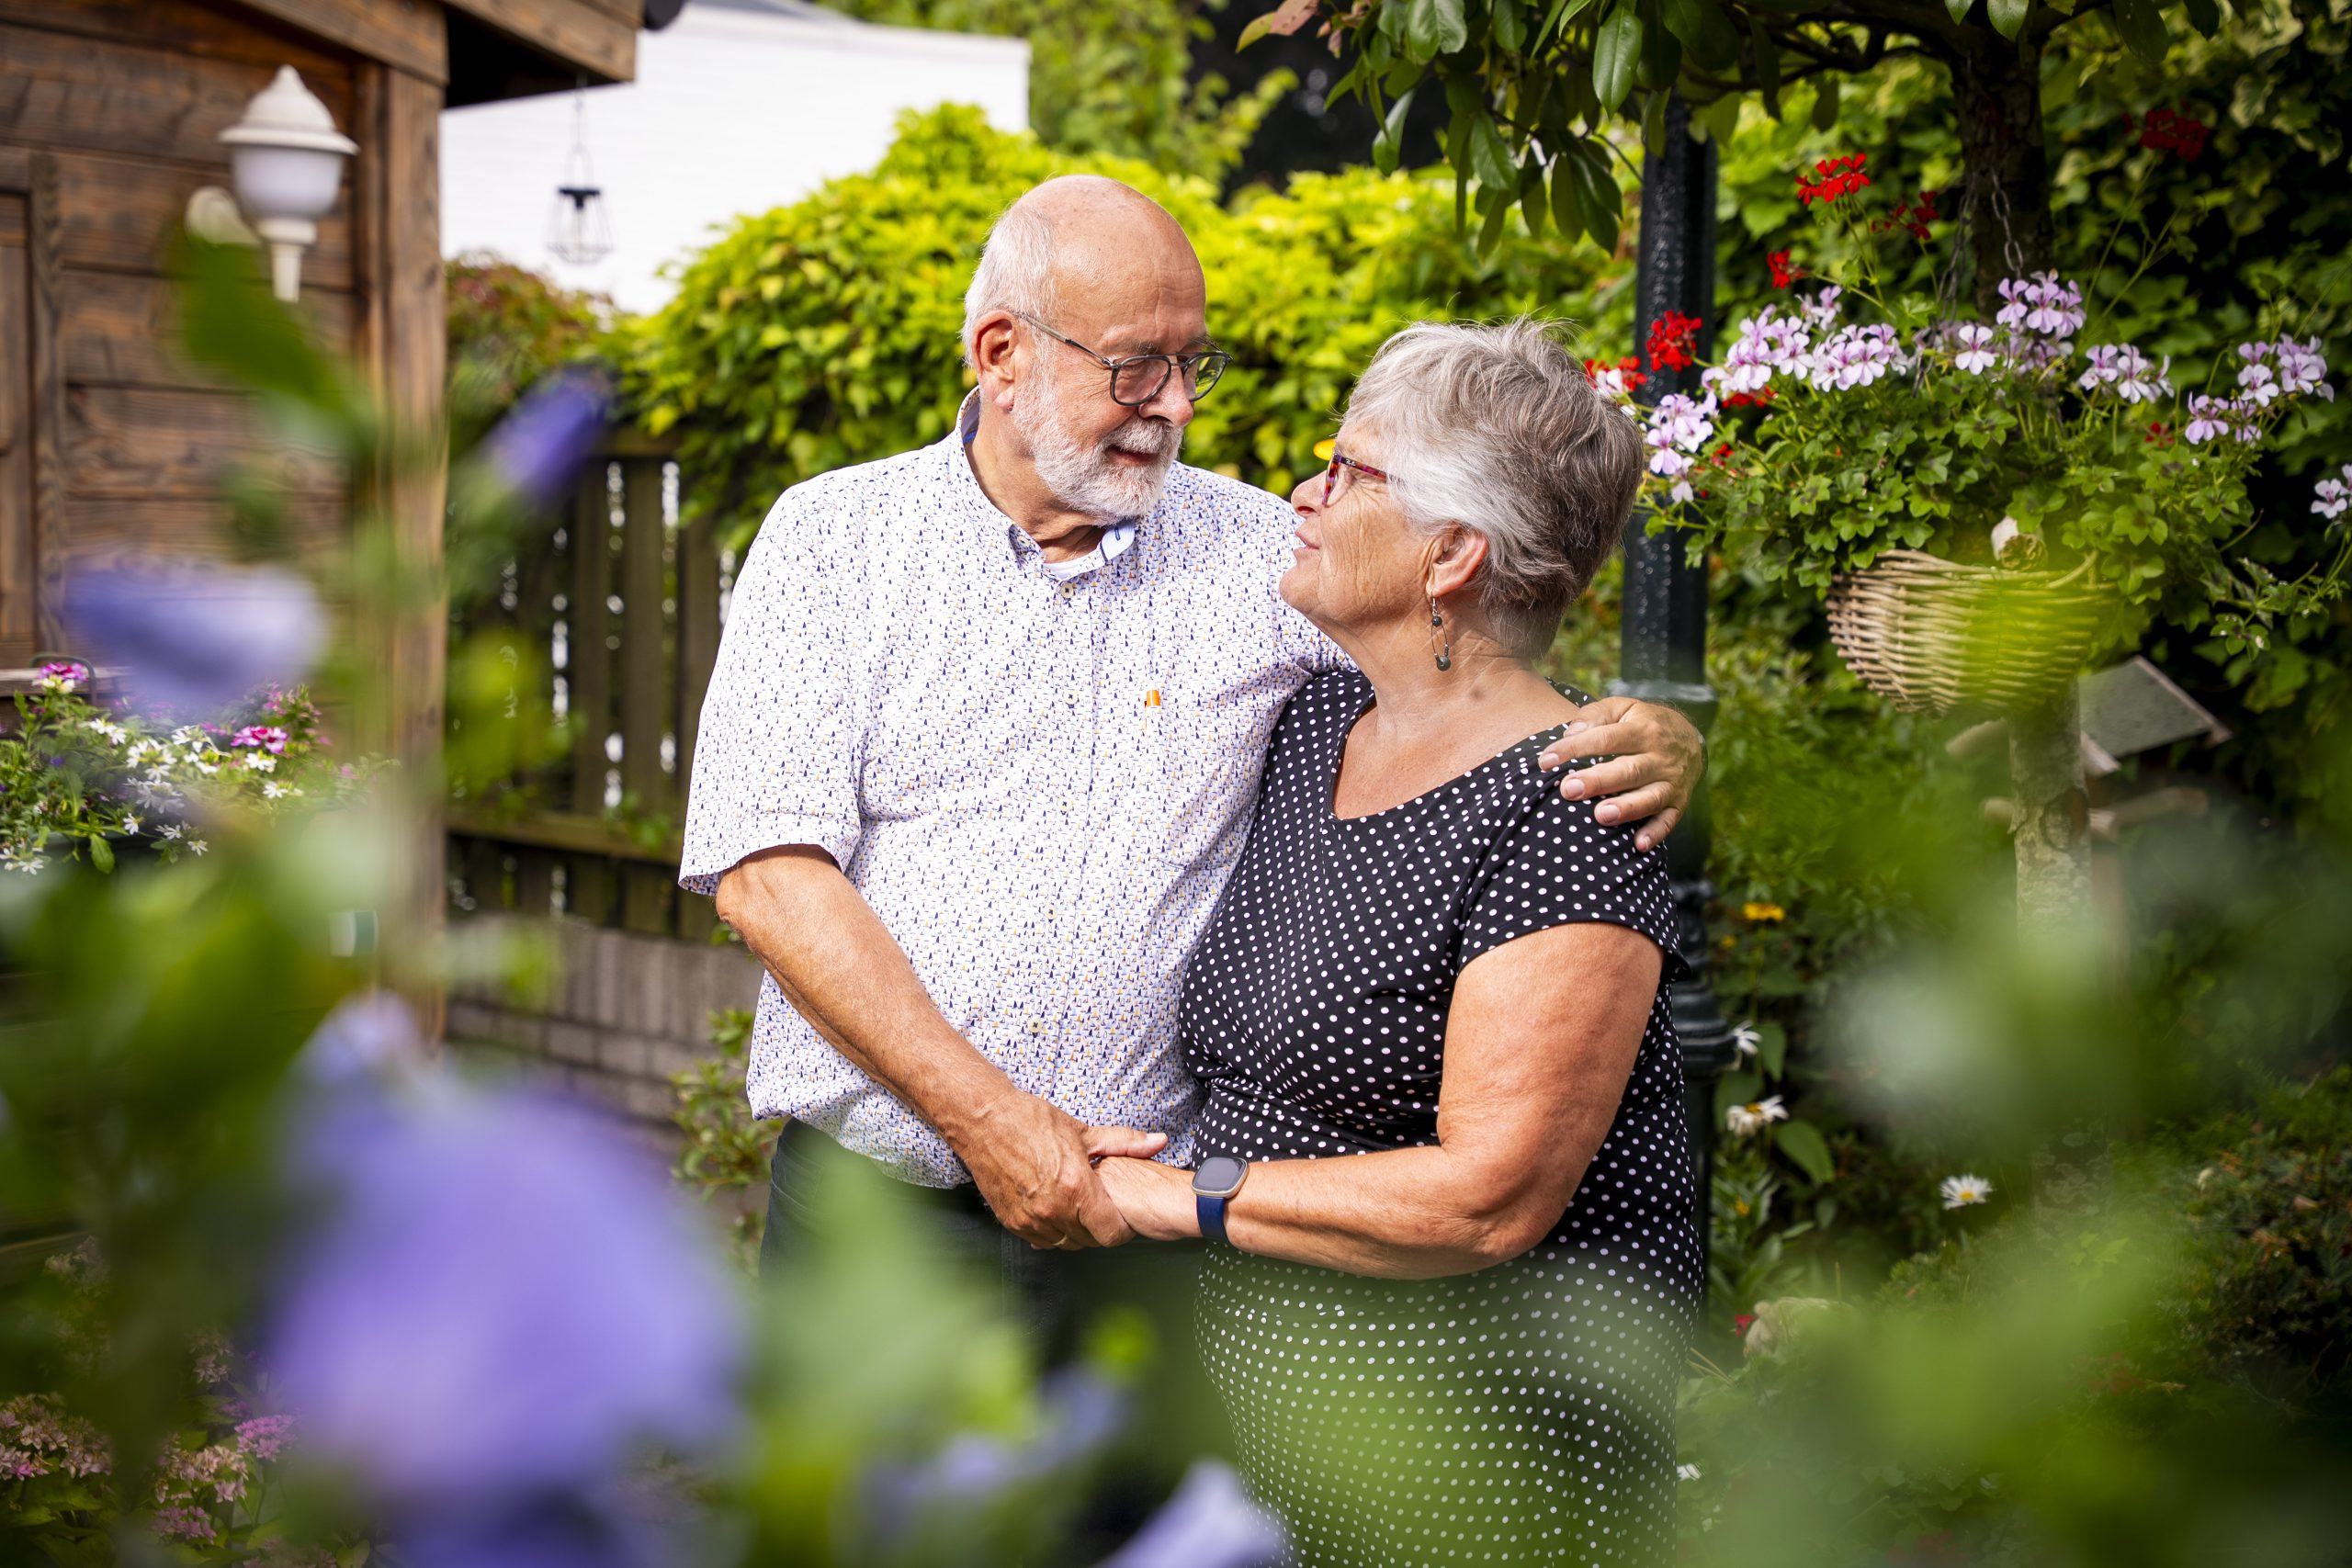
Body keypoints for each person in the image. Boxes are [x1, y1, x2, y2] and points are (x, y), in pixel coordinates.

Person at [677, 176, 1704, 1340]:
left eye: (1189, 363)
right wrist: (991, 1122)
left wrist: (1642, 728)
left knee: (1133, 1531)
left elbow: (1453, 685)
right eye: (1133, 366)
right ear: (1001, 354)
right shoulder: (836, 541)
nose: (1173, 405)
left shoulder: (1268, 556)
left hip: (1159, 1242)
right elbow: (767, 871)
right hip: (876, 1219)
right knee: (849, 1527)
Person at [1094, 320, 1701, 1566]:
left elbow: (1487, 1196)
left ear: (1452, 554)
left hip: (1473, 1470)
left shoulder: (1568, 809)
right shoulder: (1318, 718)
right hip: (1281, 1448)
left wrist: (1172, 1196)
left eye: (1348, 470)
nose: (1301, 496)